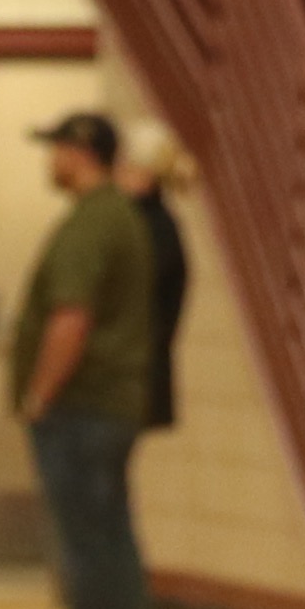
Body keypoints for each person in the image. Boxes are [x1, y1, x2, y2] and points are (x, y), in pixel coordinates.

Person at [9, 108, 161, 609]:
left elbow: (71, 318)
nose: (50, 161)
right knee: (112, 537)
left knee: (87, 544)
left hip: (82, 409)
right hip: (110, 407)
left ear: (79, 152)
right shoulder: (120, 217)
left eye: (55, 149)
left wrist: (39, 394)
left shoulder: (91, 224)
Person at [119, 129, 190, 433]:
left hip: (131, 375)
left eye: (124, 167)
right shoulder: (147, 223)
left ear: (144, 175)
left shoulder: (151, 228)